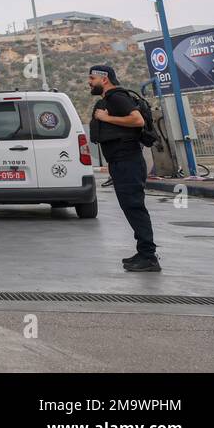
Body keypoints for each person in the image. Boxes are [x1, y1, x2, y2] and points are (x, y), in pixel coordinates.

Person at [88, 64, 160, 272]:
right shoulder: (111, 99)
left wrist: (105, 118)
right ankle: (144, 252)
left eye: (92, 78)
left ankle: (149, 257)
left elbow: (137, 121)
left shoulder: (116, 98)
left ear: (104, 79)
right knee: (131, 207)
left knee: (134, 207)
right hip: (122, 161)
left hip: (128, 160)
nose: (89, 82)